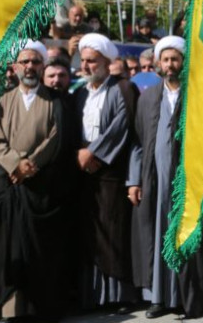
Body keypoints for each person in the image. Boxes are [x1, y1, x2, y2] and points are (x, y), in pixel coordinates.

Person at [0, 41, 71, 322]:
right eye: (25, 62)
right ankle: (11, 310)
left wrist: (30, 164)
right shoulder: (3, 101)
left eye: (35, 62)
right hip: (11, 184)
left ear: (43, 66)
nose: (30, 67)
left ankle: (39, 309)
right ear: (15, 67)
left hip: (40, 186)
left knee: (40, 251)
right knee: (9, 249)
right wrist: (15, 164)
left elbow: (56, 136)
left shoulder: (55, 101)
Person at [72, 33, 137, 310]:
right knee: (88, 235)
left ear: (106, 62)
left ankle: (119, 296)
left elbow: (121, 127)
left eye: (92, 61)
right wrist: (80, 153)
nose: (86, 66)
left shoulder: (122, 88)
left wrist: (93, 153)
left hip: (110, 173)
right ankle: (91, 297)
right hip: (84, 173)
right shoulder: (80, 93)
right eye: (83, 60)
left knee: (113, 234)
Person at [127, 36, 187, 317]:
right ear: (158, 63)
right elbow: (138, 142)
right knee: (156, 233)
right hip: (155, 181)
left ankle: (184, 295)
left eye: (175, 59)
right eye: (166, 60)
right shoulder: (149, 97)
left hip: (186, 181)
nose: (170, 64)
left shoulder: (194, 95)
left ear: (183, 62)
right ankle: (157, 298)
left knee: (183, 234)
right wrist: (134, 180)